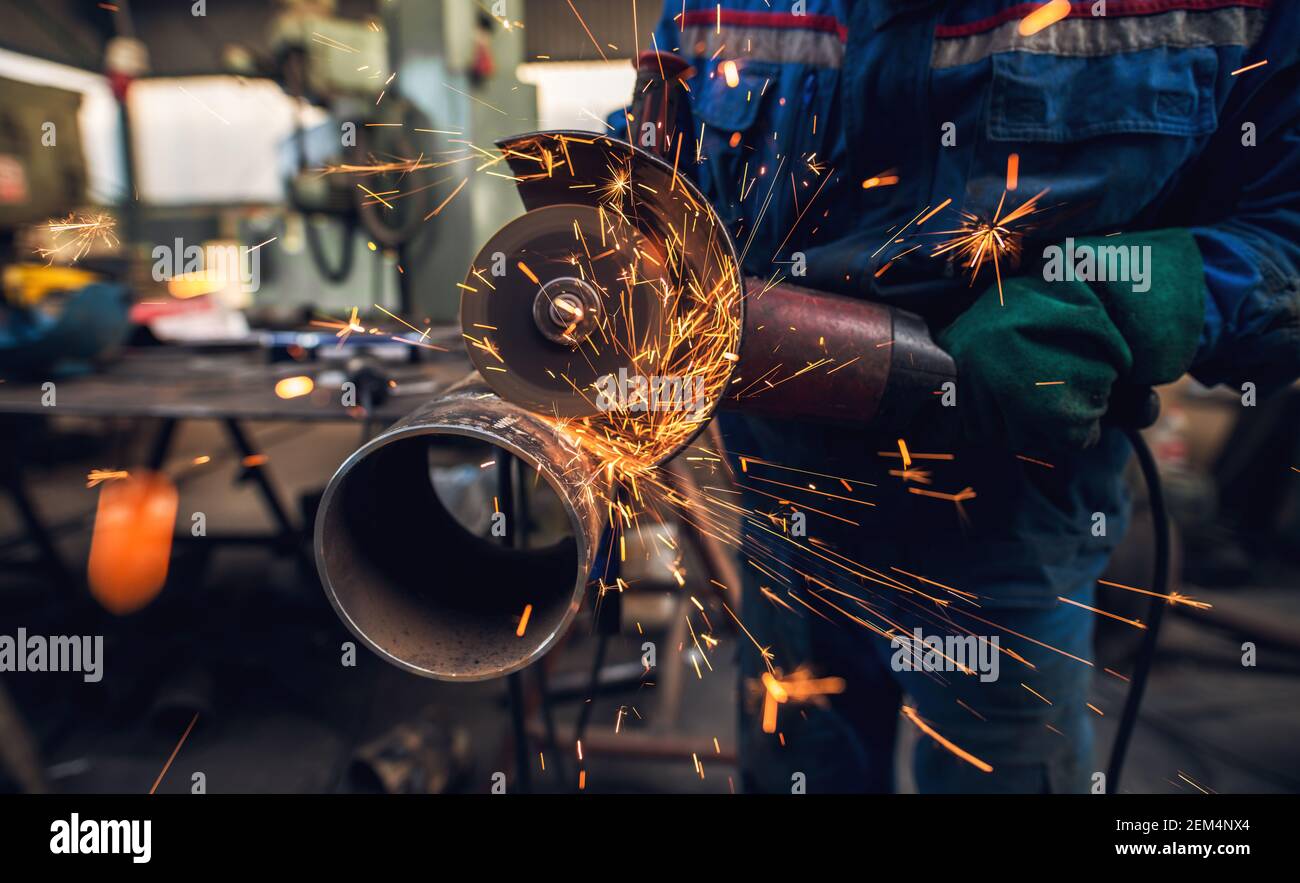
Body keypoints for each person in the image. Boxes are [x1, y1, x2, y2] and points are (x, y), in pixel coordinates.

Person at [623, 0, 1300, 792]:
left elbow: (1285, 225)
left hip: (1008, 532)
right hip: (784, 520)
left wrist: (1126, 297)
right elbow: (662, 149)